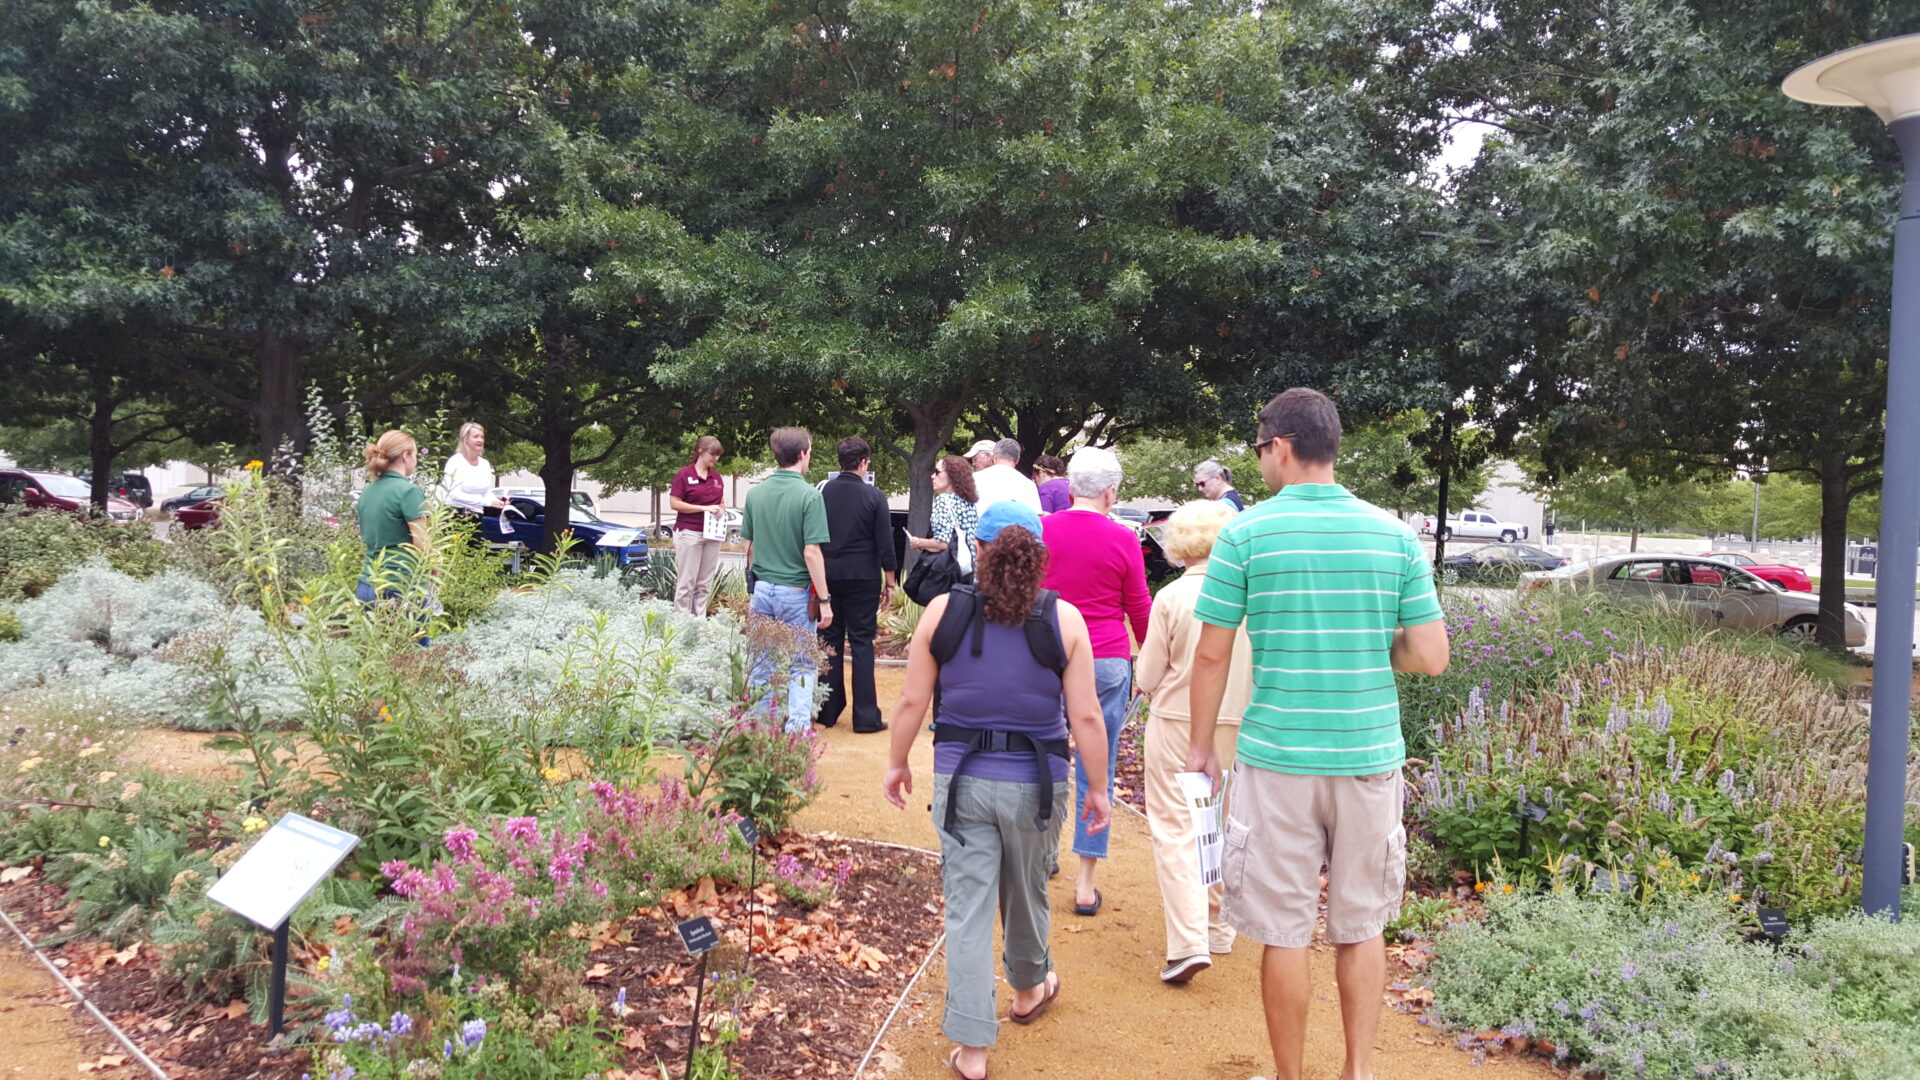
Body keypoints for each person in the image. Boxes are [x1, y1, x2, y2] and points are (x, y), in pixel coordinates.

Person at [1185, 388, 1450, 1080]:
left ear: (1279, 446)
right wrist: (1371, 645)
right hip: (1368, 758)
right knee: (1362, 927)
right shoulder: (1393, 534)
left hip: (1278, 760)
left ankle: (1291, 1075)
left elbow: (1211, 655)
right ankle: (1359, 1072)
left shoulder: (1246, 535)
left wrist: (1200, 748)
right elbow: (1431, 655)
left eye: (1258, 450)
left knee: (1283, 931)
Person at [883, 501, 1112, 1080]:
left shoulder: (943, 612)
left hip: (963, 783)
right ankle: (1031, 988)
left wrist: (897, 762)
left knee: (968, 910)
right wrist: (1100, 788)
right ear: (1039, 555)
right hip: (1037, 783)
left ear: (977, 550)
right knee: (1028, 888)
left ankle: (974, 1048)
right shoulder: (1065, 621)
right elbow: (1085, 717)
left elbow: (912, 701)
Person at [1134, 500, 1253, 984]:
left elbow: (1148, 672)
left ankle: (1187, 942)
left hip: (1177, 721)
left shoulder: (1171, 598)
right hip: (1237, 721)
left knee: (1175, 828)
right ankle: (1218, 925)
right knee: (1220, 823)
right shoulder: (1250, 597)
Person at [1039, 446, 1151, 916]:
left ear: (1067, 488)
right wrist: (1148, 660)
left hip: (1045, 650)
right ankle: (1085, 882)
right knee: (1096, 766)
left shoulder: (1041, 529)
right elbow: (1139, 605)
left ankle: (1041, 856)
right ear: (1111, 492)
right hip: (1104, 656)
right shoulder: (1123, 538)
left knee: (1040, 753)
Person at [740, 427, 835, 733]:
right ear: (802, 453)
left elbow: (749, 548)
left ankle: (759, 726)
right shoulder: (810, 496)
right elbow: (812, 552)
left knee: (761, 665)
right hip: (795, 593)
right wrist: (824, 599)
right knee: (802, 664)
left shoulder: (755, 493)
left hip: (763, 590)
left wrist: (753, 585)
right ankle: (796, 730)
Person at [817, 436, 898, 733]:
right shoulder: (874, 496)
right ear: (864, 462)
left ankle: (827, 709)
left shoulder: (822, 493)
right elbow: (885, 543)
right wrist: (890, 581)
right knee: (862, 643)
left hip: (828, 574)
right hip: (863, 576)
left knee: (830, 641)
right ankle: (865, 717)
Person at [360, 430, 434, 643]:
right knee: (414, 660)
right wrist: (435, 572)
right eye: (415, 454)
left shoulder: (369, 491)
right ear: (405, 456)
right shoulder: (408, 491)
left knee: (379, 658)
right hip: (401, 585)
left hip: (368, 582)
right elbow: (423, 546)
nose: (416, 460)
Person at [669, 435, 728, 616]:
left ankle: (699, 621)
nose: (716, 459)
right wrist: (702, 508)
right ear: (701, 451)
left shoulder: (716, 477)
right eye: (713, 454)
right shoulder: (684, 474)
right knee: (687, 581)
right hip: (690, 532)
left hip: (712, 534)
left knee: (704, 583)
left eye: (718, 455)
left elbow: (721, 502)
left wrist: (721, 510)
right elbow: (675, 503)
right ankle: (681, 622)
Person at [908, 454, 979, 579]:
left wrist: (918, 542)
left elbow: (943, 543)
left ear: (952, 475)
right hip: (969, 572)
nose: (932, 476)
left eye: (937, 472)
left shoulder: (943, 500)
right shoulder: (969, 502)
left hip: (949, 573)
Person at [439, 422, 508, 524]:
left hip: (477, 514)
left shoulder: (484, 464)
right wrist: (487, 502)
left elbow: (486, 492)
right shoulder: (455, 461)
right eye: (475, 437)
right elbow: (454, 494)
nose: (480, 440)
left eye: (482, 437)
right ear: (465, 439)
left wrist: (498, 501)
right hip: (455, 514)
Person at [971, 438, 1043, 516]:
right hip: (1014, 527)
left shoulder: (974, 478)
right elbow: (1035, 518)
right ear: (1017, 460)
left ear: (995, 455)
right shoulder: (1028, 485)